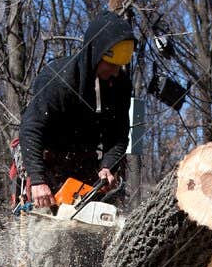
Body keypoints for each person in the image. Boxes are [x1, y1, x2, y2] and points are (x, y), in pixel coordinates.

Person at [17, 11, 133, 210]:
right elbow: (31, 129)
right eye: (111, 65)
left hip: (84, 160)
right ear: (95, 55)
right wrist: (37, 179)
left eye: (119, 66)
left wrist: (107, 165)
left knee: (93, 218)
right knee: (46, 219)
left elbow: (119, 134)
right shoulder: (58, 80)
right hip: (46, 158)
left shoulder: (119, 86)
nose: (115, 71)